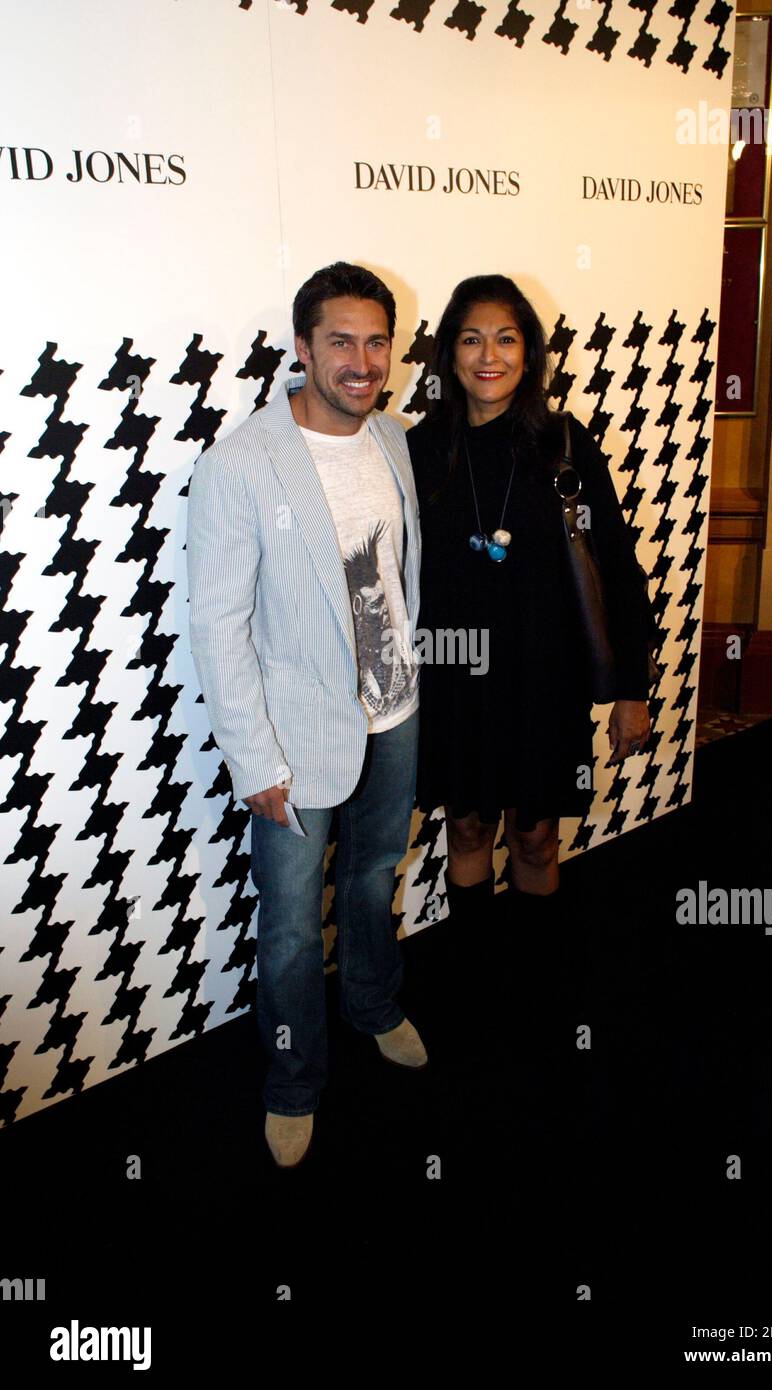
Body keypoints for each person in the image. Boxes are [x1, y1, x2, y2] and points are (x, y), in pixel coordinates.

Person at [186, 262, 425, 1170]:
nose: (360, 362)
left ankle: (374, 1003)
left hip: (394, 714)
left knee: (375, 878)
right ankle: (293, 1082)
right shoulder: (242, 464)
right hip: (291, 740)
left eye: (375, 342)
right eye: (340, 341)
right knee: (288, 925)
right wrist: (257, 761)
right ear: (302, 347)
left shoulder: (393, 439)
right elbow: (218, 625)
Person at [406, 274, 653, 975]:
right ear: (449, 353)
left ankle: (532, 986)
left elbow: (616, 567)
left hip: (545, 682)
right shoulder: (420, 451)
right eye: (471, 338)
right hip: (453, 683)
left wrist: (630, 688)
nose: (489, 354)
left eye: (506, 338)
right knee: (467, 826)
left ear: (529, 352)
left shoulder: (564, 446)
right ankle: (476, 981)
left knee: (537, 837)